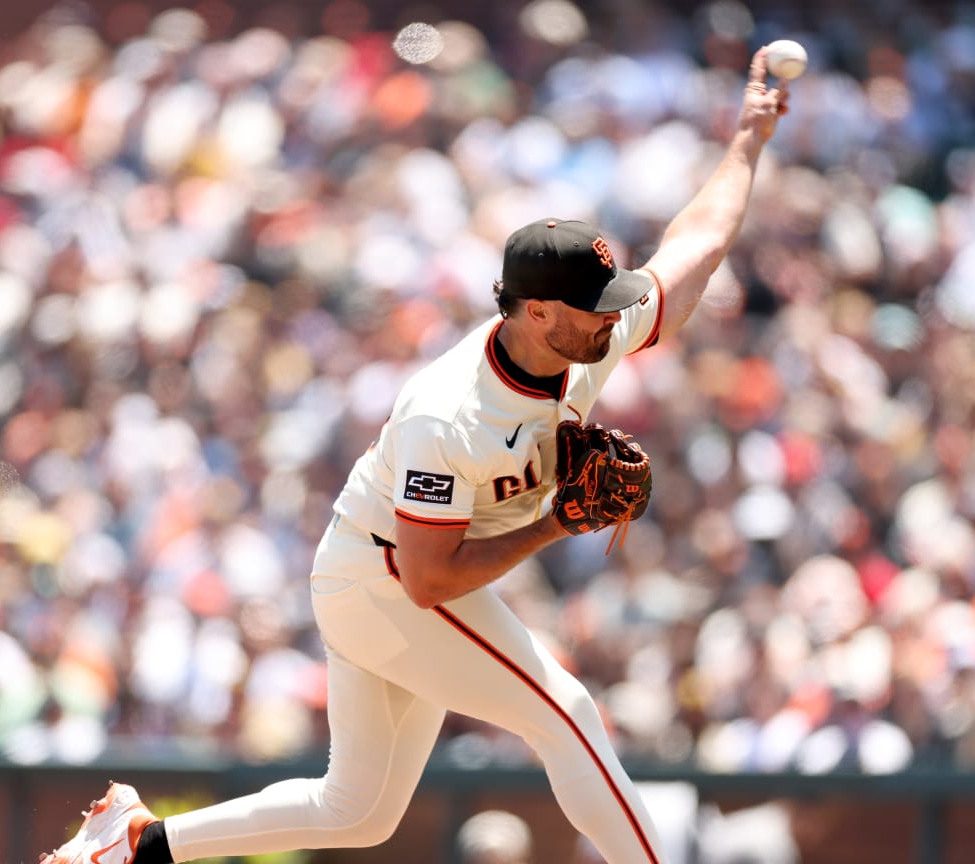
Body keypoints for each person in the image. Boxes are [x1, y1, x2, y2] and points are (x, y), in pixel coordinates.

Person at [40, 46, 789, 864]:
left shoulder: (583, 340)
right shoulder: (450, 413)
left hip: (381, 572)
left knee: (357, 812)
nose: (613, 318)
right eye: (590, 307)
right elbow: (430, 580)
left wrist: (748, 137)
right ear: (536, 311)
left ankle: (136, 847)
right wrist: (549, 526)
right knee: (563, 711)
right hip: (385, 578)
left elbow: (696, 248)